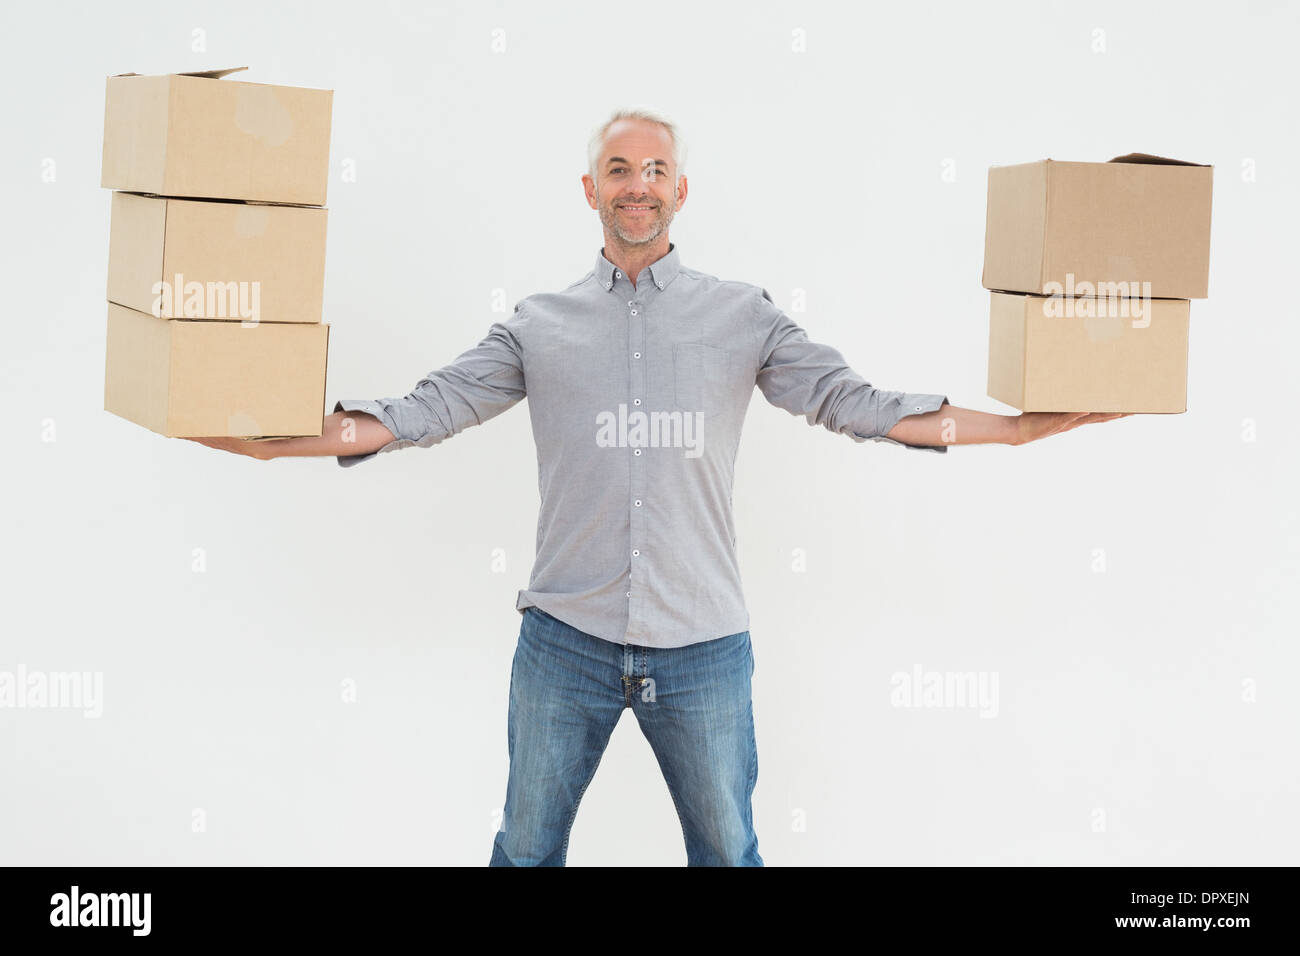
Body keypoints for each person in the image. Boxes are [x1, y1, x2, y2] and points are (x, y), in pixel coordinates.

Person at [190, 108, 1126, 866]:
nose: (637, 186)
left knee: (728, 854)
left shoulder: (742, 316)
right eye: (619, 168)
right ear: (590, 189)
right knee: (524, 853)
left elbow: (857, 404)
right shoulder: (537, 327)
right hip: (564, 642)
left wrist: (1018, 429)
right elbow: (418, 411)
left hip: (705, 648)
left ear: (680, 189)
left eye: (654, 170)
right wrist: (281, 444)